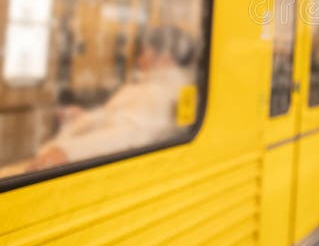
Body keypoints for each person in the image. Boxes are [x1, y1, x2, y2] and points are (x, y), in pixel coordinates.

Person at [27, 26, 196, 170]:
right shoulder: (168, 90)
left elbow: (129, 135)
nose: (139, 59)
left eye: (145, 52)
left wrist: (67, 151)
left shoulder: (155, 94)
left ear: (164, 58)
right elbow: (125, 121)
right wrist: (82, 117)